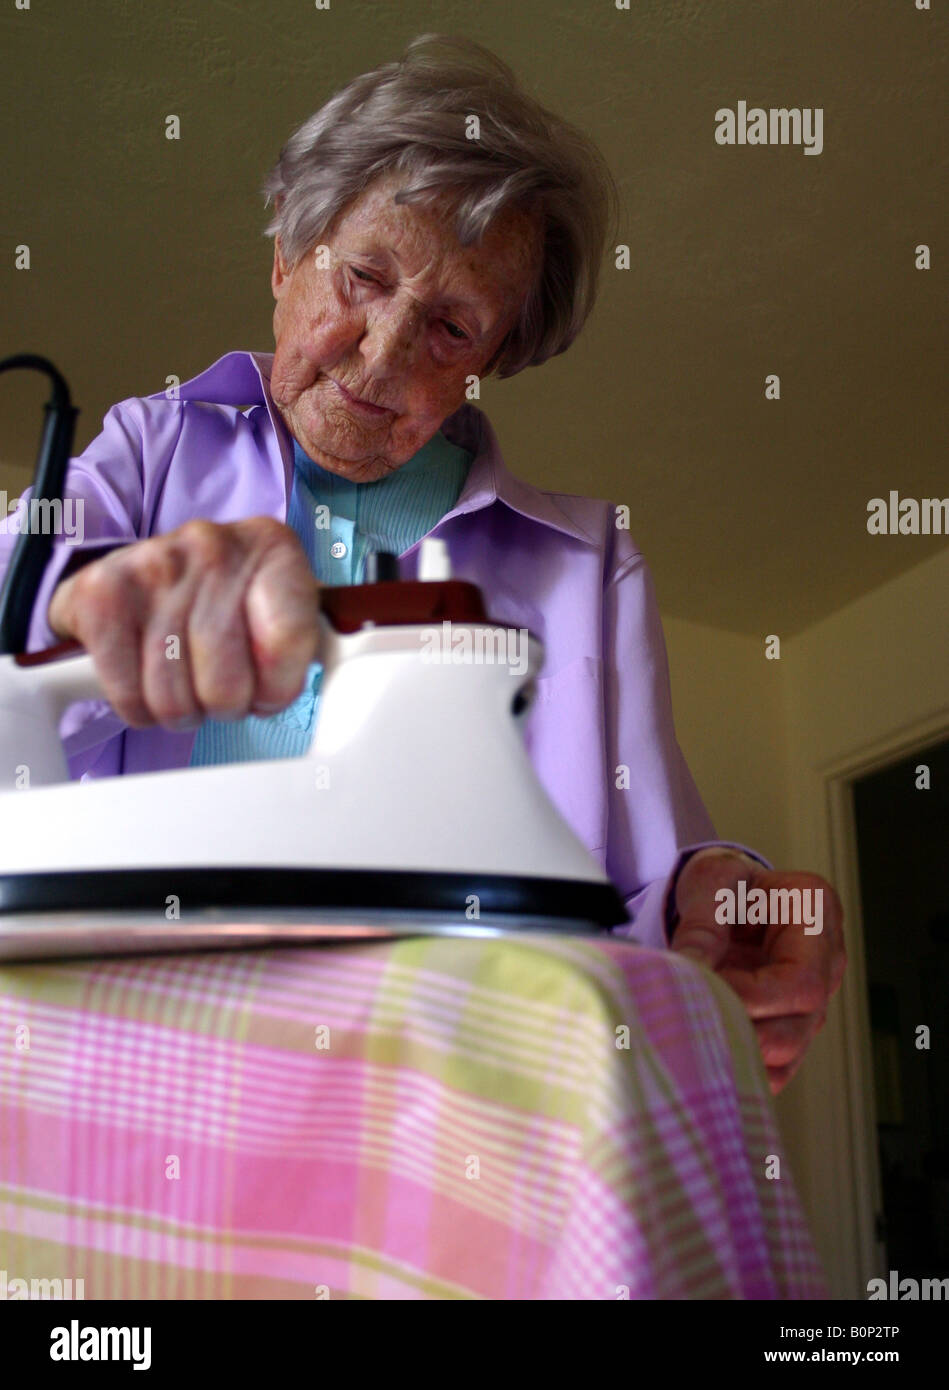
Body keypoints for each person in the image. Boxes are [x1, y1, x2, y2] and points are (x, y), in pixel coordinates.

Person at [0, 34, 844, 1092]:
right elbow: (11, 662)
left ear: (495, 358)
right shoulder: (147, 450)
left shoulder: (587, 563)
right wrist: (93, 608)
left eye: (451, 326)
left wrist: (745, 896)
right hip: (140, 1078)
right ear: (283, 256)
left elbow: (657, 882)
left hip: (458, 1115)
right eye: (362, 276)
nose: (385, 353)